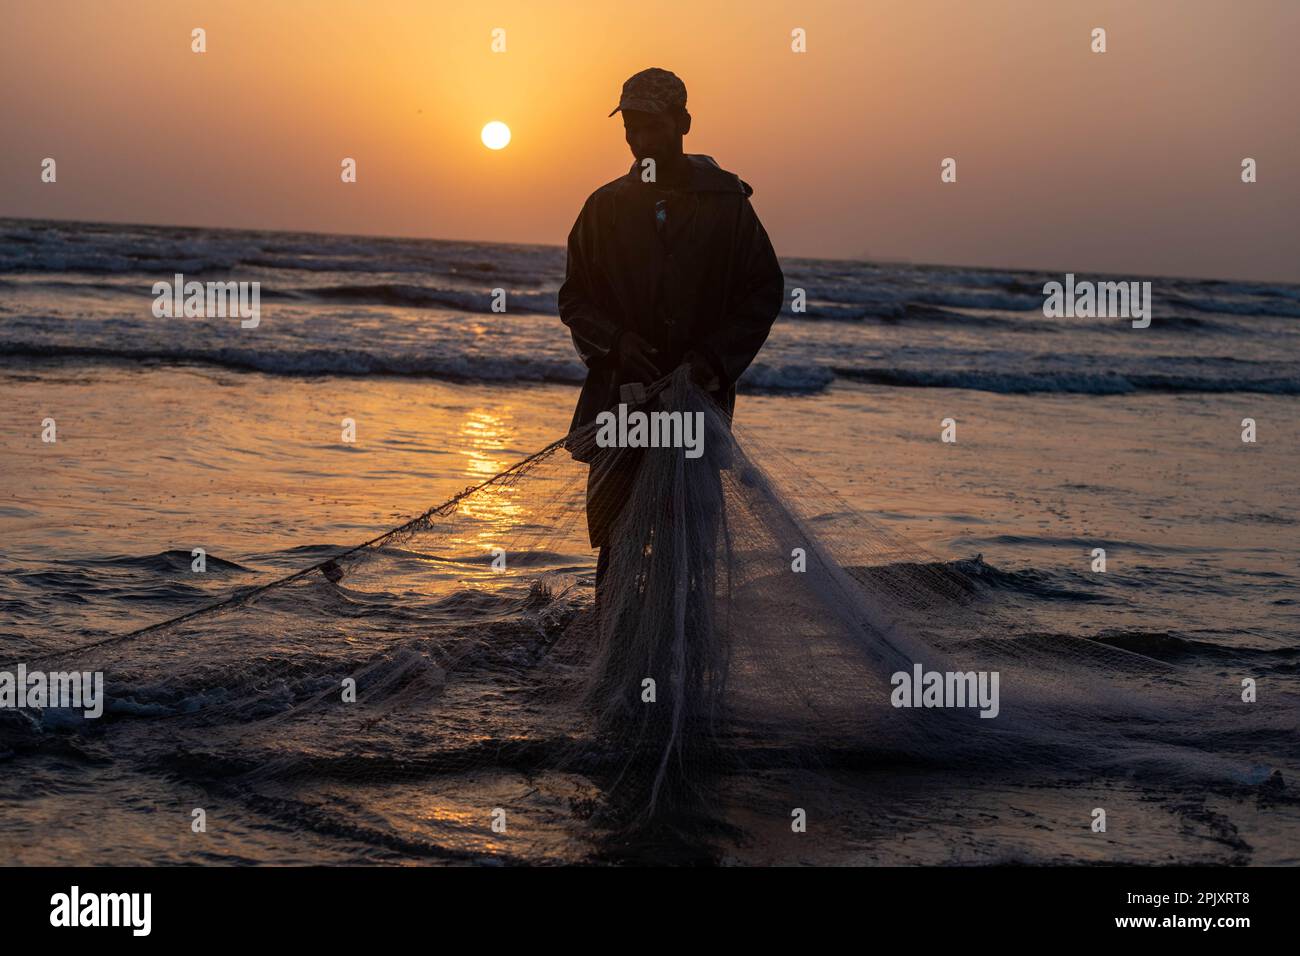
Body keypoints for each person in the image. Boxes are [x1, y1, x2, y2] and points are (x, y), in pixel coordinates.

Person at [558, 67, 785, 591]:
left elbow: (763, 290)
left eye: (653, 127)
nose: (641, 140)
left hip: (695, 403)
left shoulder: (728, 207)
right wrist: (616, 342)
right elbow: (575, 298)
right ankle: (618, 656)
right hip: (620, 400)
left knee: (688, 543)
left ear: (683, 122)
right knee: (616, 539)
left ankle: (684, 659)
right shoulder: (605, 207)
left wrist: (710, 360)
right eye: (631, 128)